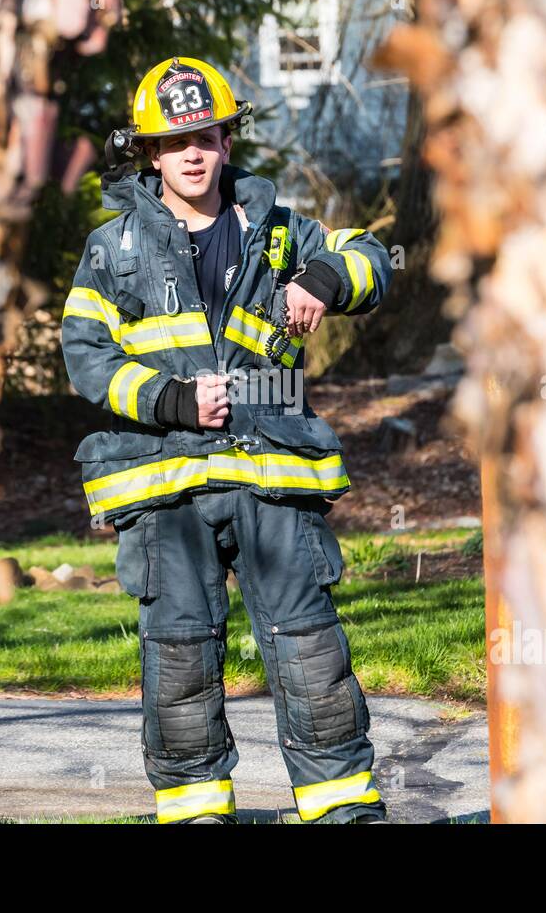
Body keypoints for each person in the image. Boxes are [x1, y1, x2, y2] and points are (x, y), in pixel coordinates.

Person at [60, 56, 395, 824]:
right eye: (174, 141)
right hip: (166, 482)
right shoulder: (112, 251)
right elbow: (85, 356)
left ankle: (342, 805)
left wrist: (322, 280)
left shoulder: (278, 230)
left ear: (225, 140)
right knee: (177, 657)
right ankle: (195, 810)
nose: (192, 152)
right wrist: (170, 398)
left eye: (205, 136)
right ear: (148, 152)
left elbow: (372, 259)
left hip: (269, 472)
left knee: (310, 647)